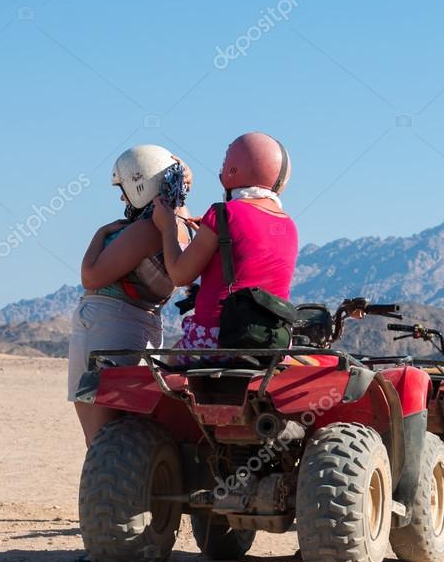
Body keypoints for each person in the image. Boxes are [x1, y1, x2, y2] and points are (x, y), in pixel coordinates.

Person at [71, 145, 192, 448]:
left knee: (100, 438)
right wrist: (179, 176)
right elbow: (183, 184)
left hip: (106, 326)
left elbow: (90, 276)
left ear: (141, 185)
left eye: (124, 189)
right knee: (130, 431)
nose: (122, 198)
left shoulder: (145, 229)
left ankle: (106, 494)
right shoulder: (180, 224)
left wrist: (101, 232)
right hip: (143, 326)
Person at [152, 132, 298, 354]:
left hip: (219, 338)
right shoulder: (289, 224)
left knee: (166, 365)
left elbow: (180, 275)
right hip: (270, 344)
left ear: (232, 171)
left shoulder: (223, 214)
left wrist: (168, 228)